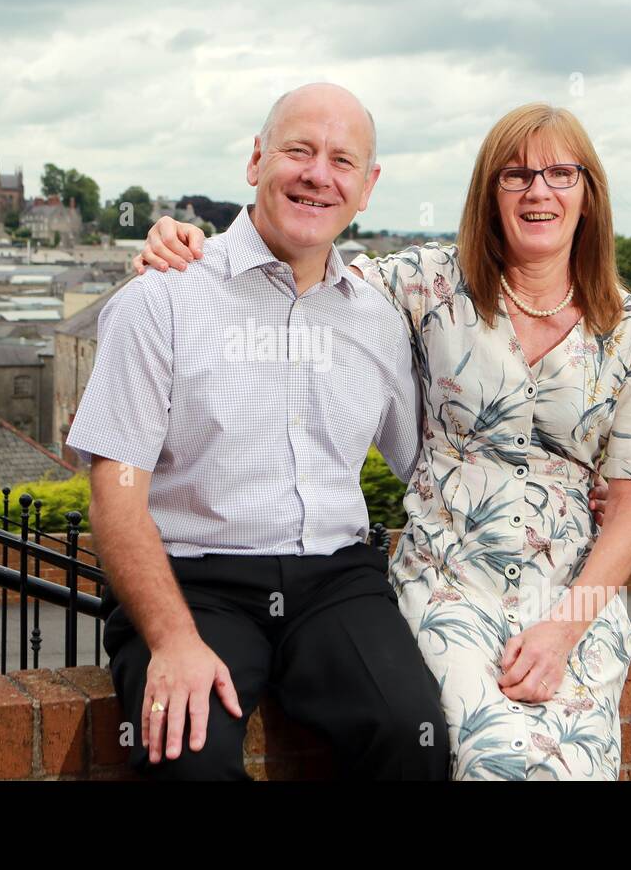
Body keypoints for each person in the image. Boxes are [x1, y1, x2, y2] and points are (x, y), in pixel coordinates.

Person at [135, 101, 631, 780]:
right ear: (489, 195)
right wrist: (189, 240)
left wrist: (565, 628)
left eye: (560, 173)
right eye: (514, 176)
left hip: (572, 593)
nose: (538, 190)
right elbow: (301, 265)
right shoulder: (426, 286)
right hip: (448, 578)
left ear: (589, 193)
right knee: (482, 757)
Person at [66, 82, 455, 779]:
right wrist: (173, 640)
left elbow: (433, 466)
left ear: (366, 188)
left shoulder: (376, 317)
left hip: (338, 585)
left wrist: (577, 488)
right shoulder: (160, 299)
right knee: (186, 761)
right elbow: (114, 499)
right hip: (194, 585)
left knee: (414, 736)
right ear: (255, 162)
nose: (317, 174)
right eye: (298, 150)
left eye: (342, 160)